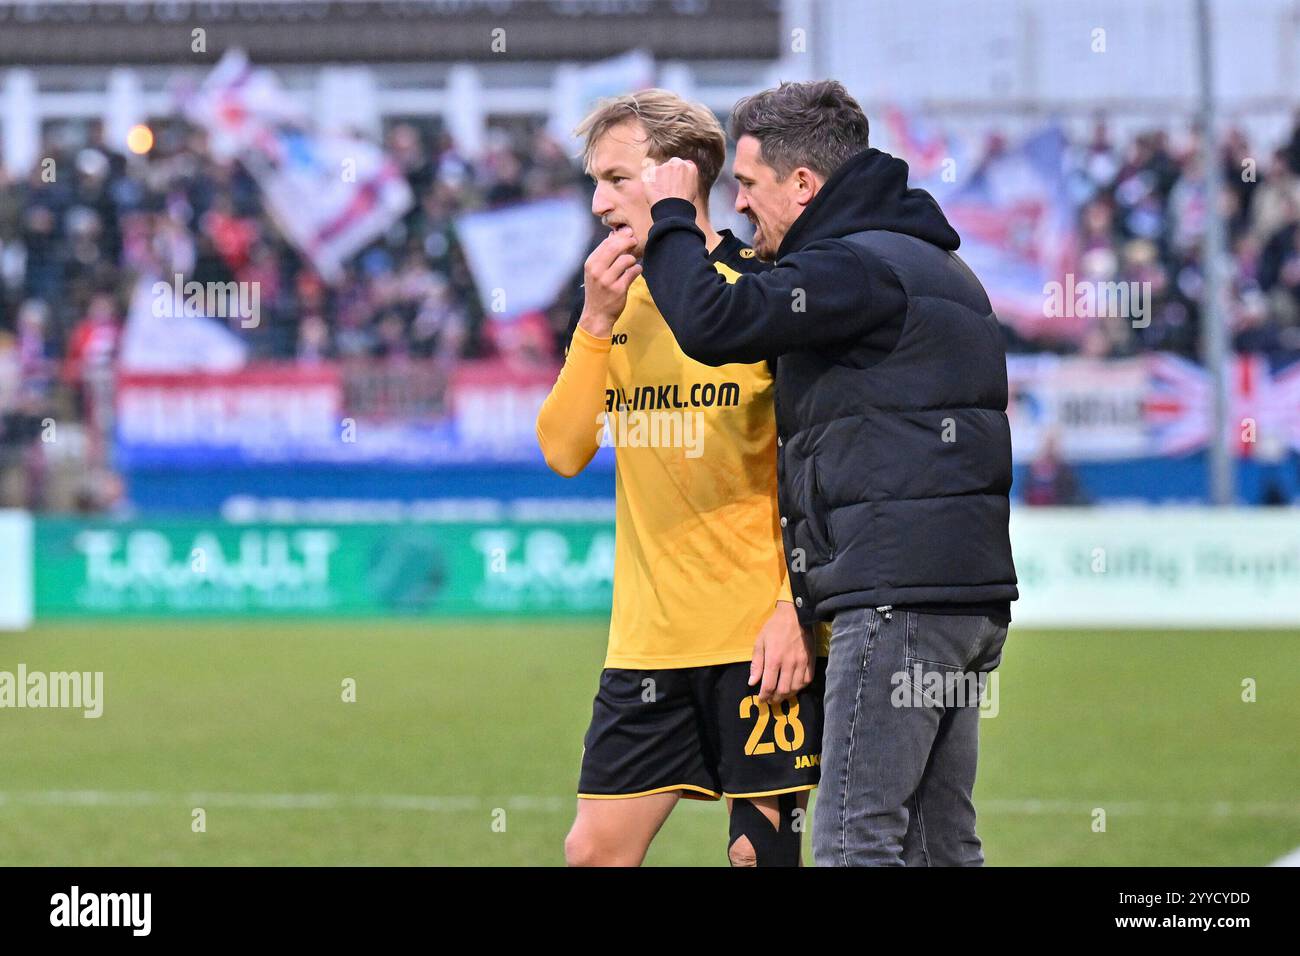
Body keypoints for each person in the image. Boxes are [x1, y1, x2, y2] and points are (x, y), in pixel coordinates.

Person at [639, 80, 1018, 866]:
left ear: (804, 185)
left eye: (746, 185)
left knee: (854, 842)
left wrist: (672, 220)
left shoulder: (854, 267)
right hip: (962, 600)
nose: (738, 207)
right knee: (940, 848)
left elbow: (716, 323)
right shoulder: (932, 264)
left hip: (896, 599)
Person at [535, 90, 827, 867]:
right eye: (594, 181)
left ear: (677, 177)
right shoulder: (612, 304)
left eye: (616, 178)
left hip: (760, 640)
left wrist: (794, 608)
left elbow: (811, 476)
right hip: (647, 641)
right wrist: (593, 327)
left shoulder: (761, 293)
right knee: (594, 853)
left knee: (756, 859)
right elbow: (563, 451)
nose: (598, 202)